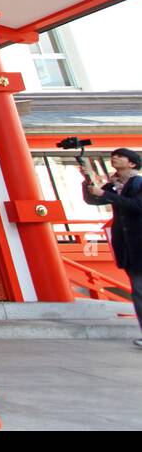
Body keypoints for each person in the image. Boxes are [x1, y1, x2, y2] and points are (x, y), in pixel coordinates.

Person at [82, 147, 142, 348]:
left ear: (132, 163)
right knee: (138, 291)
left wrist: (106, 194)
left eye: (119, 156)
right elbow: (94, 199)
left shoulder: (138, 182)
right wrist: (87, 181)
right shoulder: (114, 184)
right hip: (128, 245)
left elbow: (138, 206)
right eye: (113, 156)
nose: (114, 158)